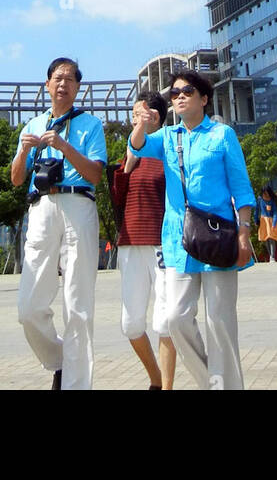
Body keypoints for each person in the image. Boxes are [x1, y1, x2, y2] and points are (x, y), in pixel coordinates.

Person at [129, 69, 254, 390]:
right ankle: (213, 382)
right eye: (174, 93)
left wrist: (244, 232)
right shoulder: (168, 137)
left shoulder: (222, 135)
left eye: (187, 91)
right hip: (179, 241)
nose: (179, 96)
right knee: (176, 319)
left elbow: (241, 187)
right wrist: (141, 124)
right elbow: (139, 147)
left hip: (220, 237)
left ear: (204, 98)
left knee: (220, 324)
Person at [11, 56, 107, 390]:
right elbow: (15, 179)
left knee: (77, 304)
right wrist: (24, 153)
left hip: (78, 204)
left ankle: (76, 384)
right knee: (28, 307)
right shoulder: (32, 125)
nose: (63, 84)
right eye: (57, 78)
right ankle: (59, 360)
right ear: (47, 84)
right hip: (40, 207)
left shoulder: (91, 125)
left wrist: (63, 145)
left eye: (70, 79)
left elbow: (96, 174)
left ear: (78, 87)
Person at [111, 88, 176, 390]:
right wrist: (128, 162)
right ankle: (155, 379)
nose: (134, 119)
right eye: (133, 115)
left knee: (165, 321)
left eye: (140, 114)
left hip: (163, 243)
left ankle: (167, 386)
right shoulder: (130, 156)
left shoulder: (168, 149)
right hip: (130, 242)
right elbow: (117, 199)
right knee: (131, 324)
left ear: (156, 117)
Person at [257, 185, 277, 261]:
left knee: (271, 238)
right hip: (263, 221)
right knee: (265, 238)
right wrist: (256, 220)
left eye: (267, 192)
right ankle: (270, 255)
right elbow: (257, 210)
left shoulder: (272, 200)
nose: (266, 194)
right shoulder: (260, 199)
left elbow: (275, 212)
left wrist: (274, 223)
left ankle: (273, 256)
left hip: (271, 221)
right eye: (264, 193)